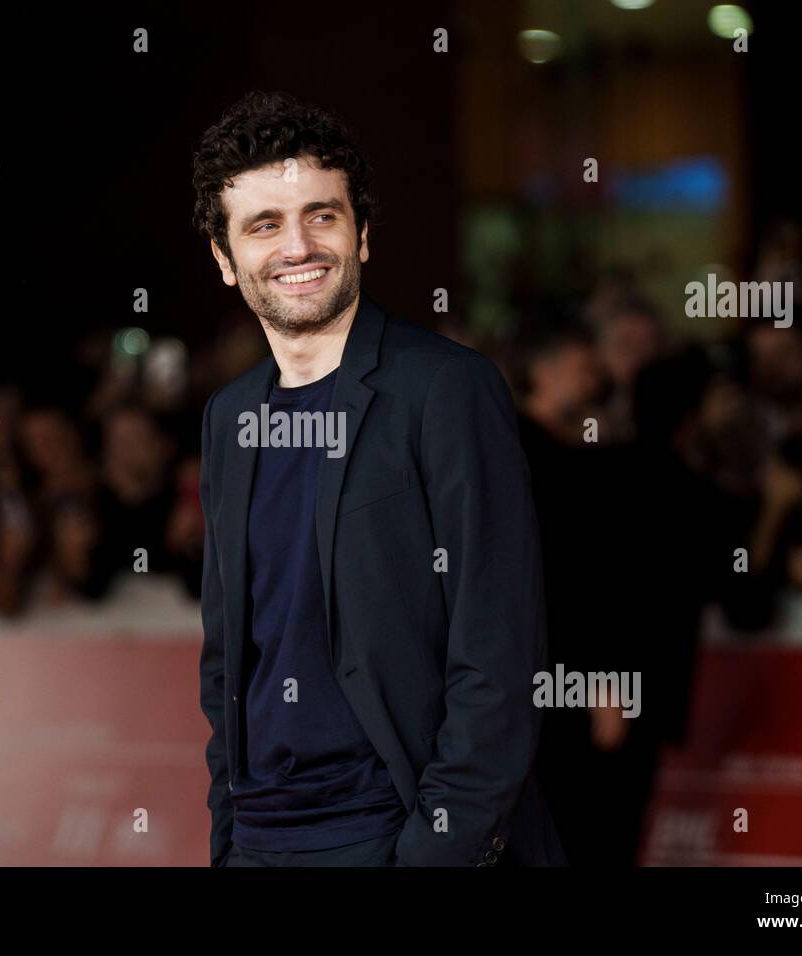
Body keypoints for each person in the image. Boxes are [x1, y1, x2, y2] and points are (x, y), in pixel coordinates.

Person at [192, 90, 564, 867]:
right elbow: (229, 655)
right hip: (261, 838)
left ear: (362, 234)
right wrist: (228, 836)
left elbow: (497, 648)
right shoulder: (229, 417)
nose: (299, 246)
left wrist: (438, 848)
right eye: (265, 225)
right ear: (226, 260)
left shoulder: (445, 391)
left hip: (390, 829)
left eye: (322, 216)